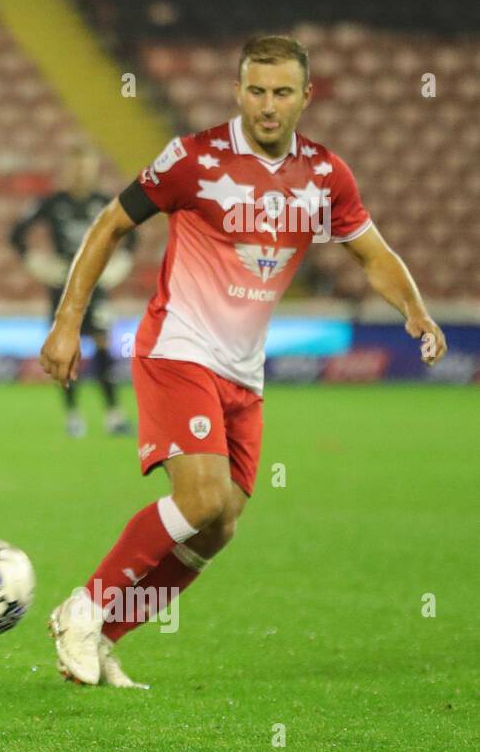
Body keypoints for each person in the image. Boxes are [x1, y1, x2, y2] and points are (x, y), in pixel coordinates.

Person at [39, 36, 447, 688]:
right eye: (256, 90)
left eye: (282, 92)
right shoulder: (193, 160)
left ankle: (105, 636)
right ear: (238, 91)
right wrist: (66, 323)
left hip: (243, 373)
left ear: (305, 98)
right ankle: (82, 610)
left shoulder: (325, 176)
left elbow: (374, 254)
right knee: (199, 500)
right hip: (178, 349)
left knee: (218, 527)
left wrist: (416, 310)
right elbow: (110, 225)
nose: (267, 105)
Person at [9, 143, 135, 437]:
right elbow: (16, 234)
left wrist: (119, 266)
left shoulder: (107, 202)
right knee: (65, 349)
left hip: (96, 286)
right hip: (63, 285)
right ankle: (73, 417)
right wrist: (37, 263)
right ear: (67, 171)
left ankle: (114, 415)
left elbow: (132, 236)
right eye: (76, 168)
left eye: (86, 168)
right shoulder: (52, 202)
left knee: (103, 344)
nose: (81, 174)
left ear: (94, 170)